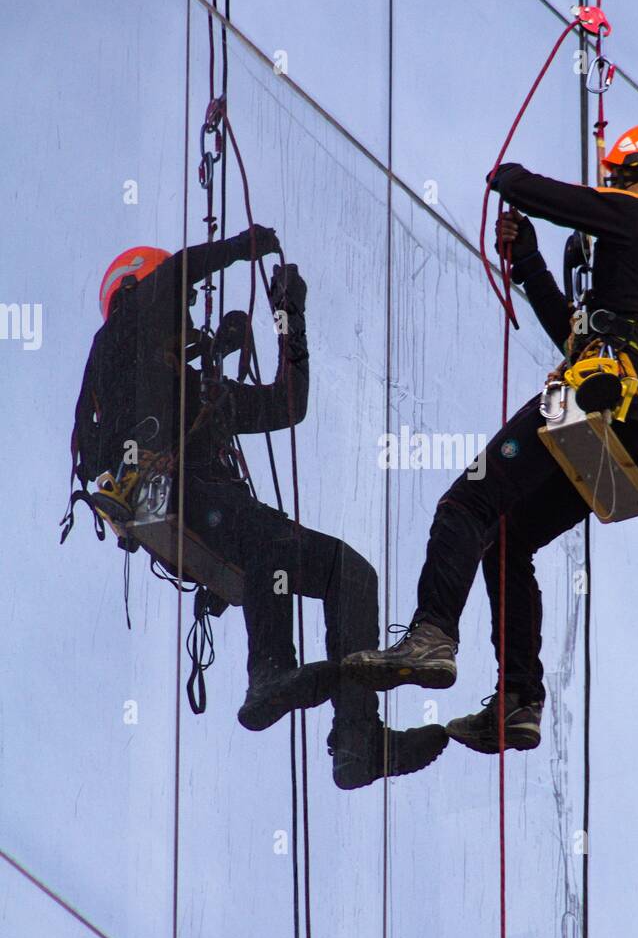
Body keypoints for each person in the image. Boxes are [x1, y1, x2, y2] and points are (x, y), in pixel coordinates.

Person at [341, 121, 638, 755]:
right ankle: (519, 702)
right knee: (505, 540)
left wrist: (511, 180)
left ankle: (431, 635)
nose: (611, 185)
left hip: (601, 399)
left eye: (619, 175)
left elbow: (561, 200)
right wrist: (526, 261)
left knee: (465, 502)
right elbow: (580, 338)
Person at [66, 229, 447, 788]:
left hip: (198, 505)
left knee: (350, 574)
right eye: (183, 303)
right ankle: (271, 672)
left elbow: (286, 406)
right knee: (272, 545)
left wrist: (290, 319)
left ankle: (357, 738)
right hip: (179, 495)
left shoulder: (188, 388)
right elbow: (178, 275)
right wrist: (244, 245)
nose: (189, 314)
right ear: (143, 294)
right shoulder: (123, 335)